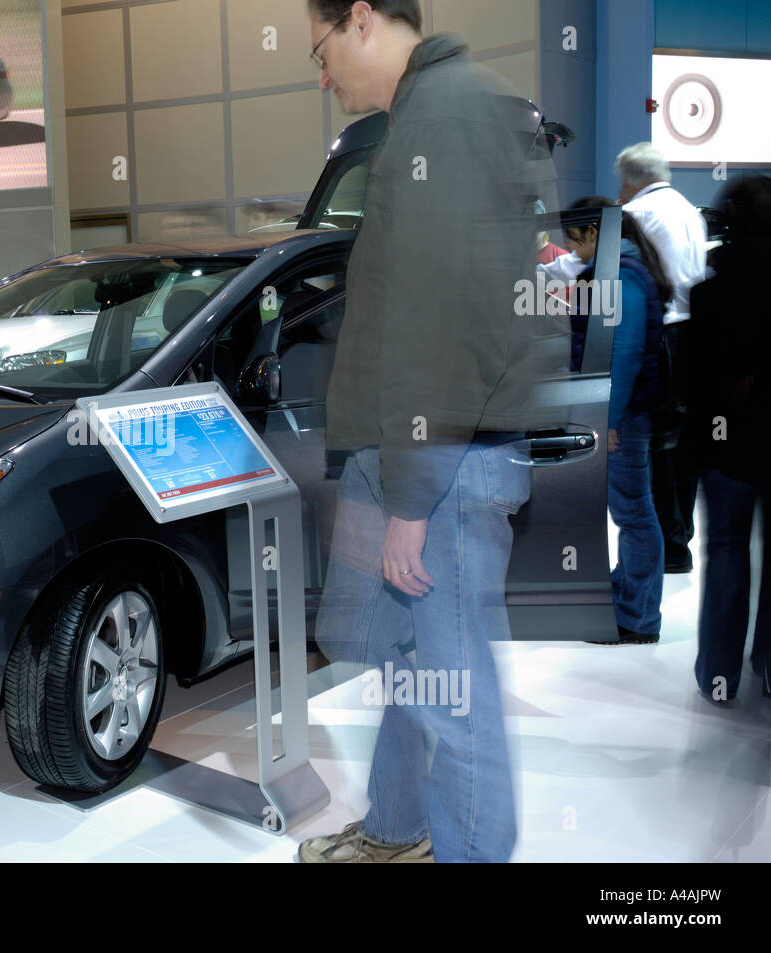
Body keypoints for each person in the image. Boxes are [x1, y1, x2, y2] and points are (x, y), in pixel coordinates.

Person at [299, 0, 547, 863]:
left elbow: (446, 326)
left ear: (361, 19)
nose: (323, 75)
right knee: (414, 672)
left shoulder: (445, 115)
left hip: (442, 468)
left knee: (456, 696)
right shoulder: (435, 113)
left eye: (320, 51)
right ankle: (401, 831)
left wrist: (407, 491)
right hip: (429, 460)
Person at [562, 197, 670, 645]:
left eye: (573, 239)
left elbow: (623, 353)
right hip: (625, 410)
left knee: (633, 512)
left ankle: (638, 617)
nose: (570, 250)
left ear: (592, 233)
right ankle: (628, 595)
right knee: (631, 510)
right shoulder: (623, 271)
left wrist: (607, 420)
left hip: (624, 414)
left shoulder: (621, 277)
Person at [686, 175, 771, 702]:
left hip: (727, 448)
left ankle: (719, 677)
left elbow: (696, 383)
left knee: (725, 553)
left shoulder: (710, 294)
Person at [616, 143, 708, 573]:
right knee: (681, 443)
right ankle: (680, 539)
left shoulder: (639, 215)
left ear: (630, 179)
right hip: (692, 334)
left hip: (661, 335)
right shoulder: (689, 209)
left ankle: (668, 545)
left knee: (654, 444)